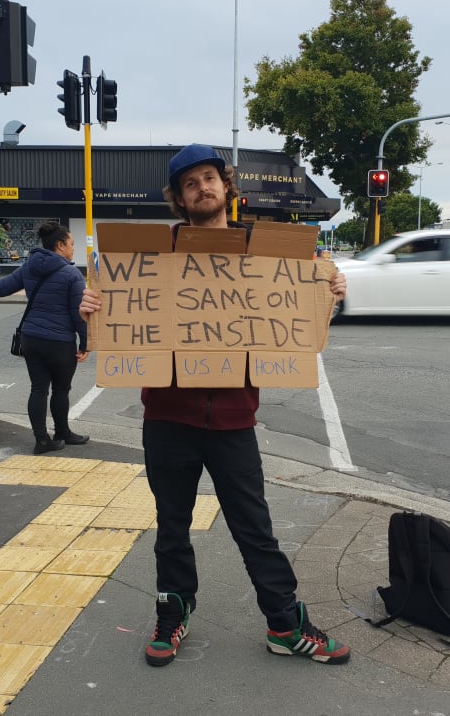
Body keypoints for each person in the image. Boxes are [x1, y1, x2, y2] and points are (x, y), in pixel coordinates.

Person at [79, 144, 350, 667]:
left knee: (255, 529)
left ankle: (285, 625)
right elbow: (113, 310)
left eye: (209, 178)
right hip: (166, 418)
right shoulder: (152, 253)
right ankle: (172, 614)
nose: (202, 188)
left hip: (233, 420)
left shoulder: (263, 252)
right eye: (189, 183)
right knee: (171, 526)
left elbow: (298, 324)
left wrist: (327, 292)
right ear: (179, 199)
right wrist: (91, 307)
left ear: (227, 186)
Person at [0, 222, 89, 454]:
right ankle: (62, 432)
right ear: (60, 245)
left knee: (38, 389)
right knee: (61, 389)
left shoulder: (29, 267)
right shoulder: (71, 274)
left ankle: (42, 440)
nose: (73, 248)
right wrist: (85, 343)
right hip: (59, 342)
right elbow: (78, 314)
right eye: (72, 244)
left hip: (31, 339)